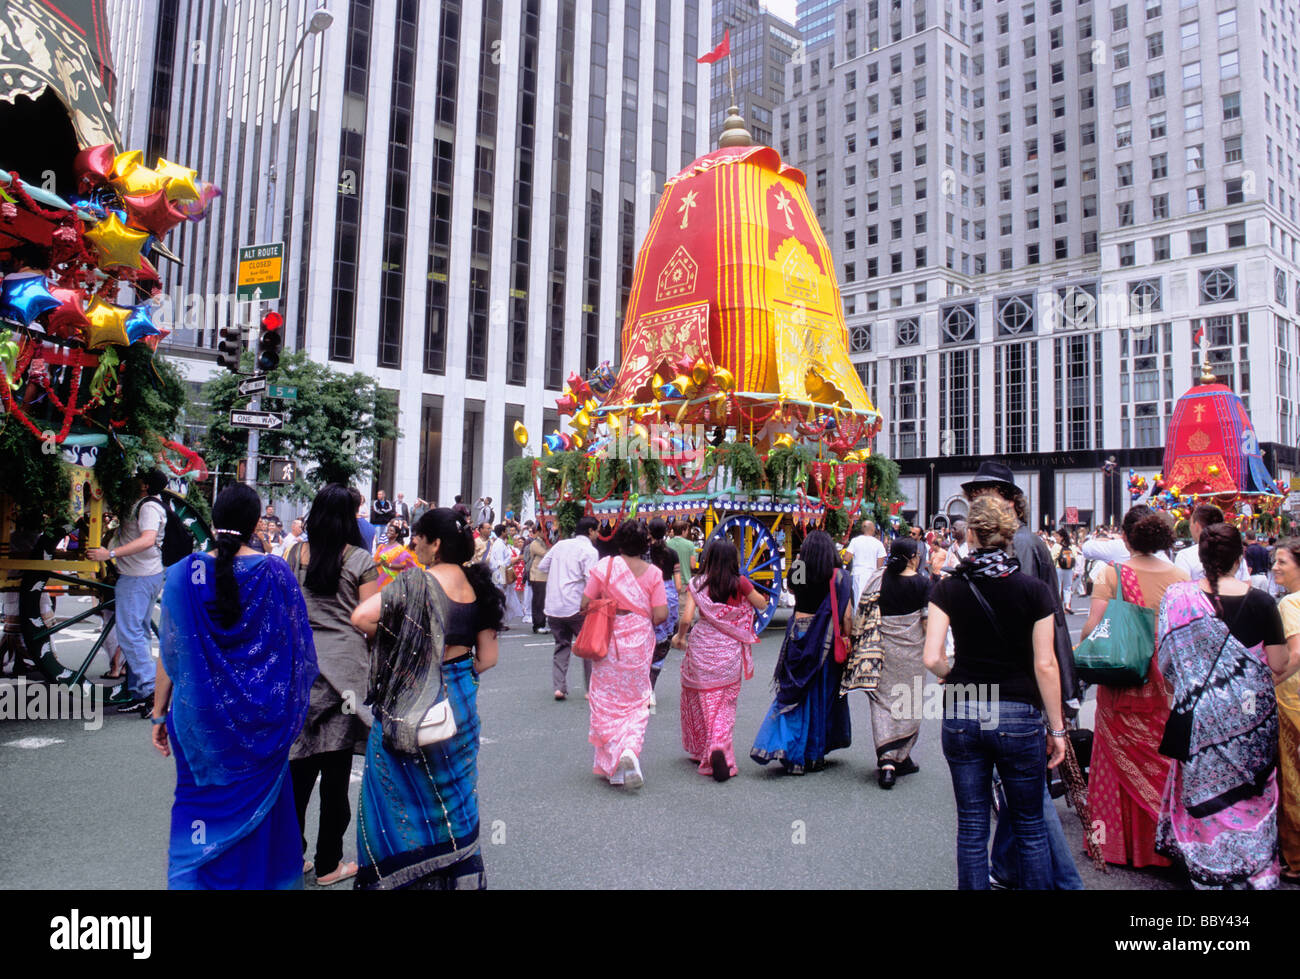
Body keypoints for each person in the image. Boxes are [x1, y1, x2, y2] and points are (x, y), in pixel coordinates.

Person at [150, 483, 317, 889]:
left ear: (212, 520)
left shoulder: (182, 575)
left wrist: (158, 714)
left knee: (198, 810)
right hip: (262, 725)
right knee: (262, 825)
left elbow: (171, 655)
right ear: (255, 523)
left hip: (199, 724)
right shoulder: (274, 572)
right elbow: (295, 652)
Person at [349, 508, 502, 889]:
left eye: (419, 537)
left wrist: (408, 654)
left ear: (436, 544)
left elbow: (362, 617)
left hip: (412, 699)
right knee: (455, 793)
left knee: (393, 789)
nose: (413, 542)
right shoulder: (478, 584)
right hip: (460, 701)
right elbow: (488, 658)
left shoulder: (415, 582)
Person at [922, 496, 1068, 890]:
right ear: (1008, 535)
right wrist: (1056, 729)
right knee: (1029, 826)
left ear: (970, 534)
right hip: (1019, 712)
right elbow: (1045, 665)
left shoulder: (949, 589)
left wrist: (952, 674)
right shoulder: (1034, 591)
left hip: (964, 710)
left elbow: (932, 656)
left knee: (970, 826)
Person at [1155, 524, 1291, 889]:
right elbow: (1277, 665)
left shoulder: (1178, 598)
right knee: (1253, 791)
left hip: (1197, 714)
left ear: (1201, 557)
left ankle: (1208, 866)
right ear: (1240, 557)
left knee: (1202, 787)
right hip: (1250, 713)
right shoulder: (1261, 600)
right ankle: (1254, 867)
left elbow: (1166, 662)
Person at [1081, 505, 1188, 869]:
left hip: (1123, 678)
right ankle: (1168, 842)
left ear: (1125, 538)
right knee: (1161, 756)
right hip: (1163, 679)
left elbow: (1091, 630)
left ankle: (1109, 844)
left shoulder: (1111, 574)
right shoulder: (1179, 575)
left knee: (1111, 764)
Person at [284, 484, 380, 887]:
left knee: (297, 771)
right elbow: (371, 621)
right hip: (343, 672)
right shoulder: (360, 559)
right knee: (336, 773)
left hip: (299, 668)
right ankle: (329, 865)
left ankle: (291, 857)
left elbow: (285, 609)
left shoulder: (292, 555)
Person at [750, 530, 853, 774]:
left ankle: (789, 748)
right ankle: (814, 754)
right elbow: (847, 615)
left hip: (798, 632)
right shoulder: (838, 576)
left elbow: (795, 593)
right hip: (825, 637)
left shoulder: (798, 568)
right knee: (820, 695)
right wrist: (848, 637)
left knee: (795, 692)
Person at [580, 520, 668, 789]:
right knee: (635, 700)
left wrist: (611, 604)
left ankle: (616, 763)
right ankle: (629, 750)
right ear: (645, 545)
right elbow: (661, 613)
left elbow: (585, 604)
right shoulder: (653, 573)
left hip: (609, 641)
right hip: (639, 642)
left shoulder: (605, 568)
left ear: (618, 542)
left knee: (606, 700)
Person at [672, 538, 765, 781]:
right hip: (729, 650)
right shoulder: (740, 583)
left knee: (703, 699)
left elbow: (687, 618)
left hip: (702, 646)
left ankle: (704, 747)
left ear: (709, 558)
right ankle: (717, 746)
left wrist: (680, 638)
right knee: (725, 702)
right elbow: (761, 604)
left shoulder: (698, 584)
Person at [90, 469, 169, 715]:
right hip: (143, 575)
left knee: (130, 634)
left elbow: (147, 539)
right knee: (139, 634)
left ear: (145, 485)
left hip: (139, 577)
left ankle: (150, 692)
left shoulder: (148, 508)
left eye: (138, 478)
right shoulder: (143, 504)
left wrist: (109, 554)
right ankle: (139, 692)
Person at [870, 539, 930, 789]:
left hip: (881, 650)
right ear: (912, 557)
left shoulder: (878, 580)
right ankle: (902, 756)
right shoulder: (923, 583)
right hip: (912, 652)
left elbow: (866, 612)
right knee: (909, 700)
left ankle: (886, 762)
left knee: (882, 701)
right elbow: (926, 622)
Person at [539, 517, 600, 700]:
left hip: (553, 605)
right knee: (587, 649)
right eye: (597, 531)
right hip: (576, 605)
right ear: (590, 531)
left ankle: (559, 687)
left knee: (561, 646)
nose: (598, 535)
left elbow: (543, 566)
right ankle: (590, 689)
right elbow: (591, 581)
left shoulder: (560, 545)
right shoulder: (589, 551)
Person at [1271, 538, 1300, 882]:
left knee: (1292, 781)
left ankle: (1295, 859)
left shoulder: (1290, 604)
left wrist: (1269, 684)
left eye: (1283, 562)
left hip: (1292, 702)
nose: (1275, 567)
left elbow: (1295, 654)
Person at [647, 517, 682, 707]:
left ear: (649, 532)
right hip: (668, 597)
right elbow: (678, 585)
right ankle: (650, 688)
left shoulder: (644, 552)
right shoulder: (672, 554)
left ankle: (640, 687)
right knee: (662, 643)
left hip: (647, 596)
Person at [1174, 504, 1249, 582]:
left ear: (1196, 526)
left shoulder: (1185, 556)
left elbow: (1182, 587)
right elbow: (1246, 583)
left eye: (1190, 524)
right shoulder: (1233, 552)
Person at [847, 519, 887, 606]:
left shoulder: (855, 541)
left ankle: (857, 618)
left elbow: (846, 558)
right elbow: (880, 566)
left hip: (858, 574)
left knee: (857, 600)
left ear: (862, 529)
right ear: (872, 530)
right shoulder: (878, 544)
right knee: (870, 601)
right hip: (872, 575)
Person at [526, 528, 550, 633]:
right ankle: (538, 624)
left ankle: (542, 623)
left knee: (543, 601)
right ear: (539, 532)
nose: (547, 534)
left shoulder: (546, 542)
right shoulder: (535, 543)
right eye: (544, 531)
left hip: (545, 576)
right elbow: (546, 554)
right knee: (538, 601)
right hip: (537, 576)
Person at [1055, 530, 1077, 614]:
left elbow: (1052, 557)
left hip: (1058, 568)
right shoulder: (1072, 546)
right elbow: (1075, 558)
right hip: (1069, 569)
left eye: (1057, 536)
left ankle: (1058, 606)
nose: (1056, 538)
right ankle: (1067, 606)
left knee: (1058, 587)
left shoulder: (1057, 546)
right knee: (1067, 587)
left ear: (1061, 537)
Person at [667, 520, 696, 585]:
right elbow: (693, 565)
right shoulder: (690, 544)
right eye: (687, 530)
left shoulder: (667, 544)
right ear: (683, 531)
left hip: (671, 583)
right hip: (685, 582)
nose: (688, 532)